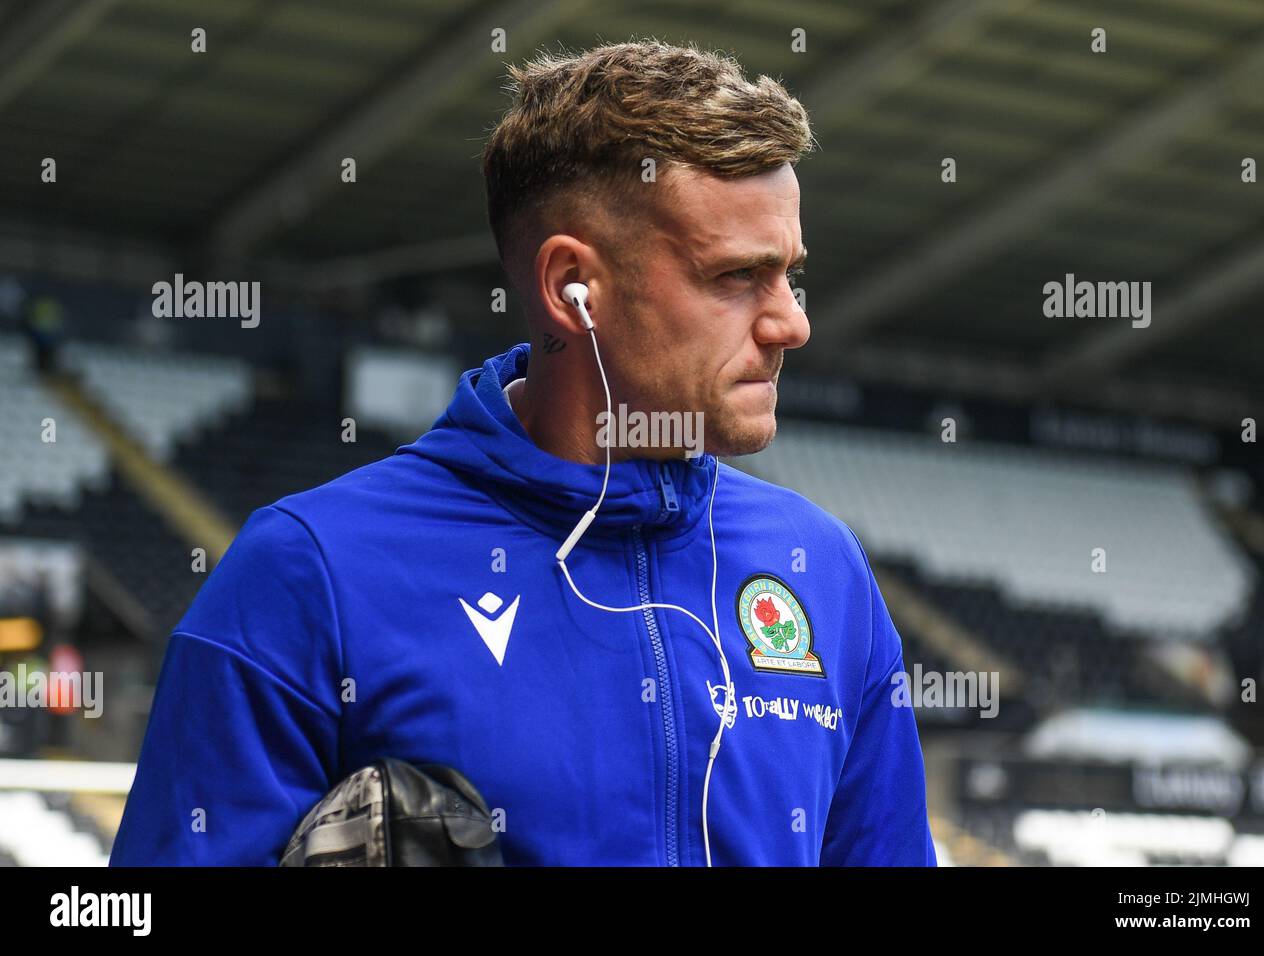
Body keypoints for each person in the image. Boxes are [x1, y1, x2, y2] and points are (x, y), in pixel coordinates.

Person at [109, 39, 935, 867]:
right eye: (736, 277)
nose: (791, 322)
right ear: (570, 287)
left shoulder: (822, 572)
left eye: (789, 273)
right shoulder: (307, 573)